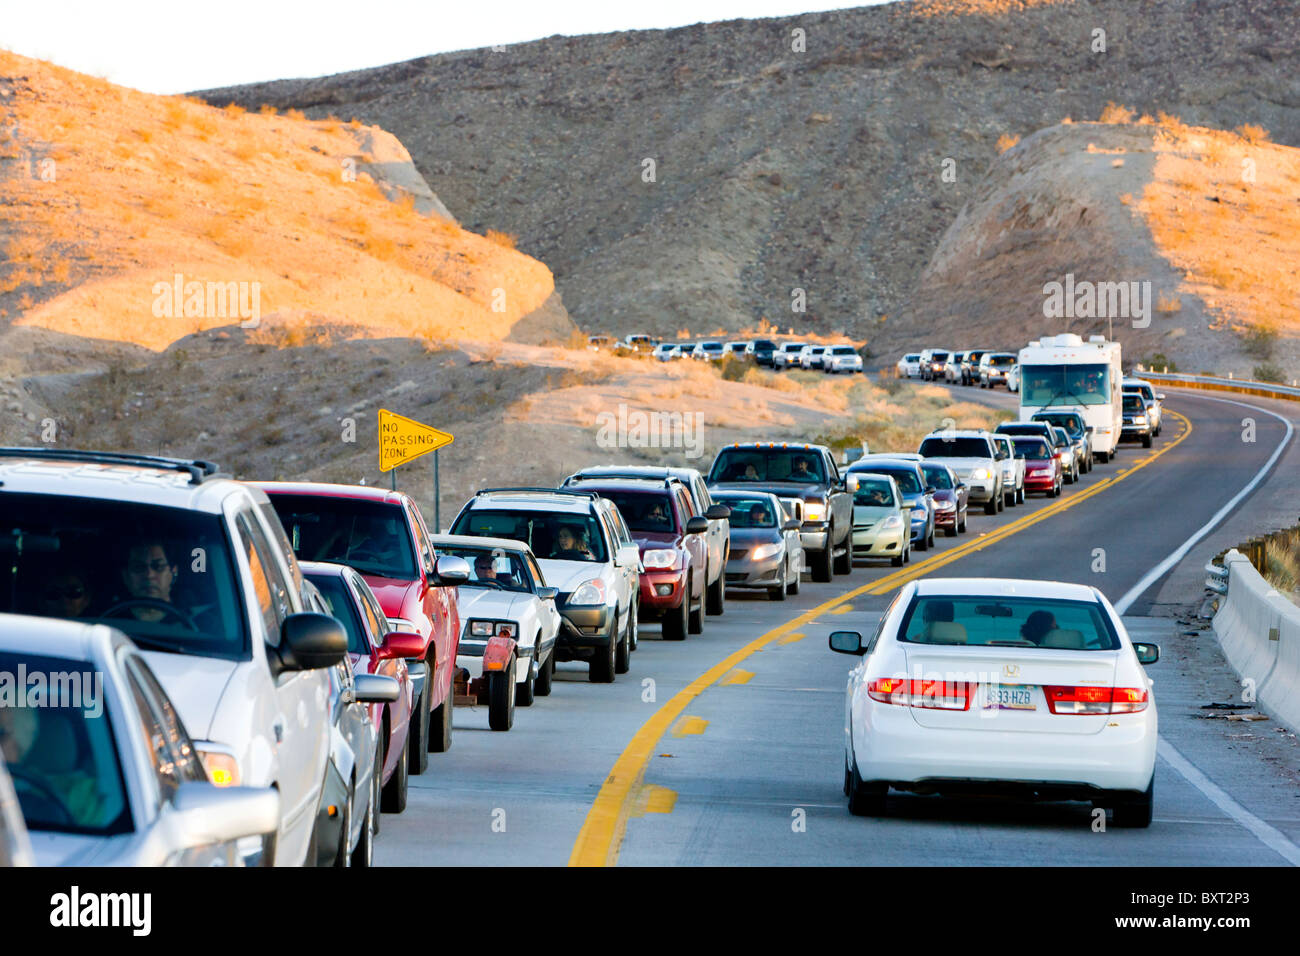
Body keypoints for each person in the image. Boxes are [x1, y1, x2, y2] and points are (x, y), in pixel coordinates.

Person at [117, 539, 180, 623]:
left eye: (158, 566)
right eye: (138, 567)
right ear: (126, 576)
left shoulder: (194, 617)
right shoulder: (109, 623)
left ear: (173, 572)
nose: (149, 575)